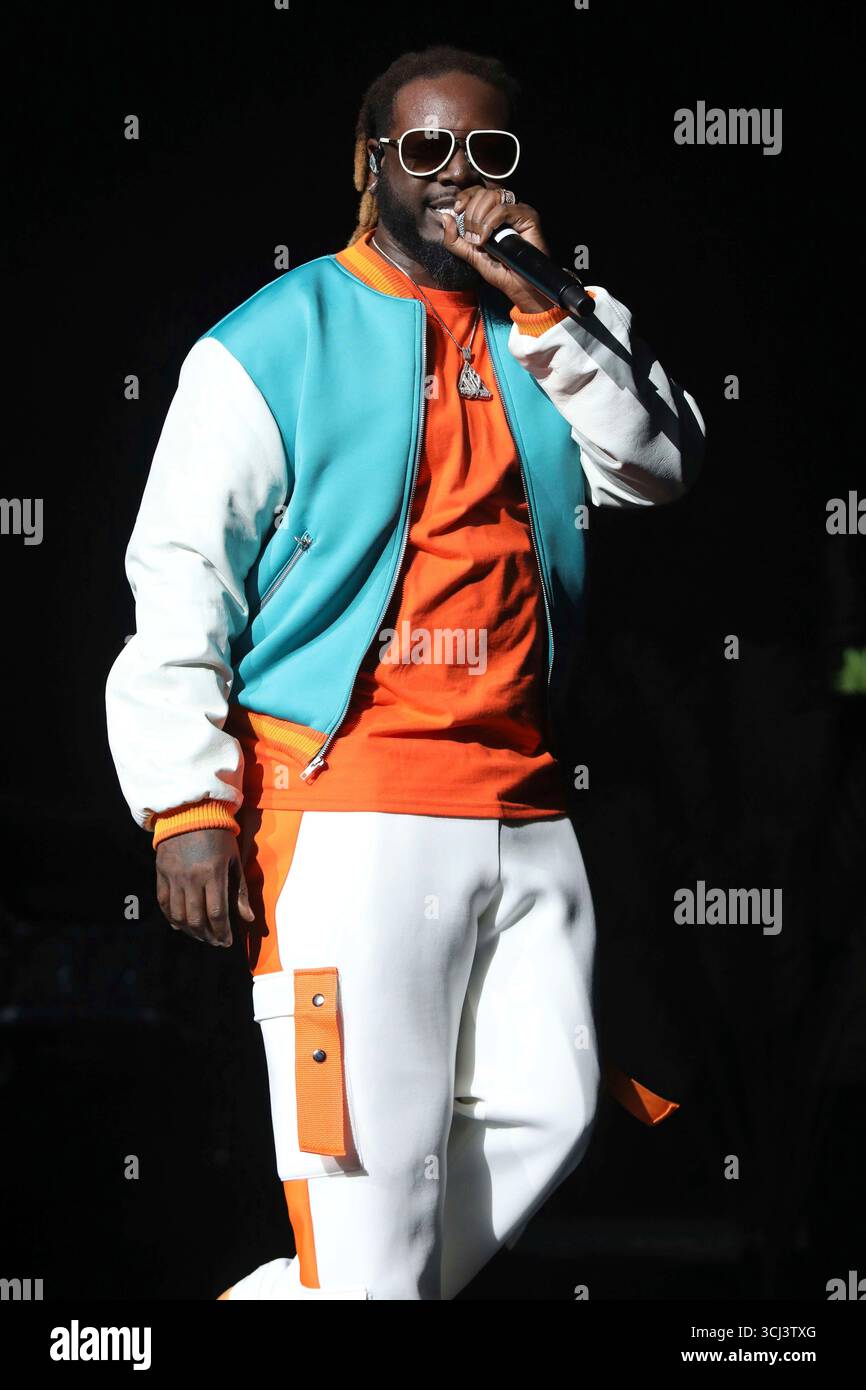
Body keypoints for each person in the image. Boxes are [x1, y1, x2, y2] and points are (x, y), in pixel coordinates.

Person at [105, 44, 706, 1300]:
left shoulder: (554, 321)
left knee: (551, 1111)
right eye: (421, 150)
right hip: (351, 811)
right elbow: (178, 577)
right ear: (368, 168)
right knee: (371, 1226)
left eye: (484, 154)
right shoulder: (268, 343)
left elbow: (655, 463)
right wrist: (185, 801)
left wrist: (545, 305)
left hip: (526, 805)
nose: (452, 177)